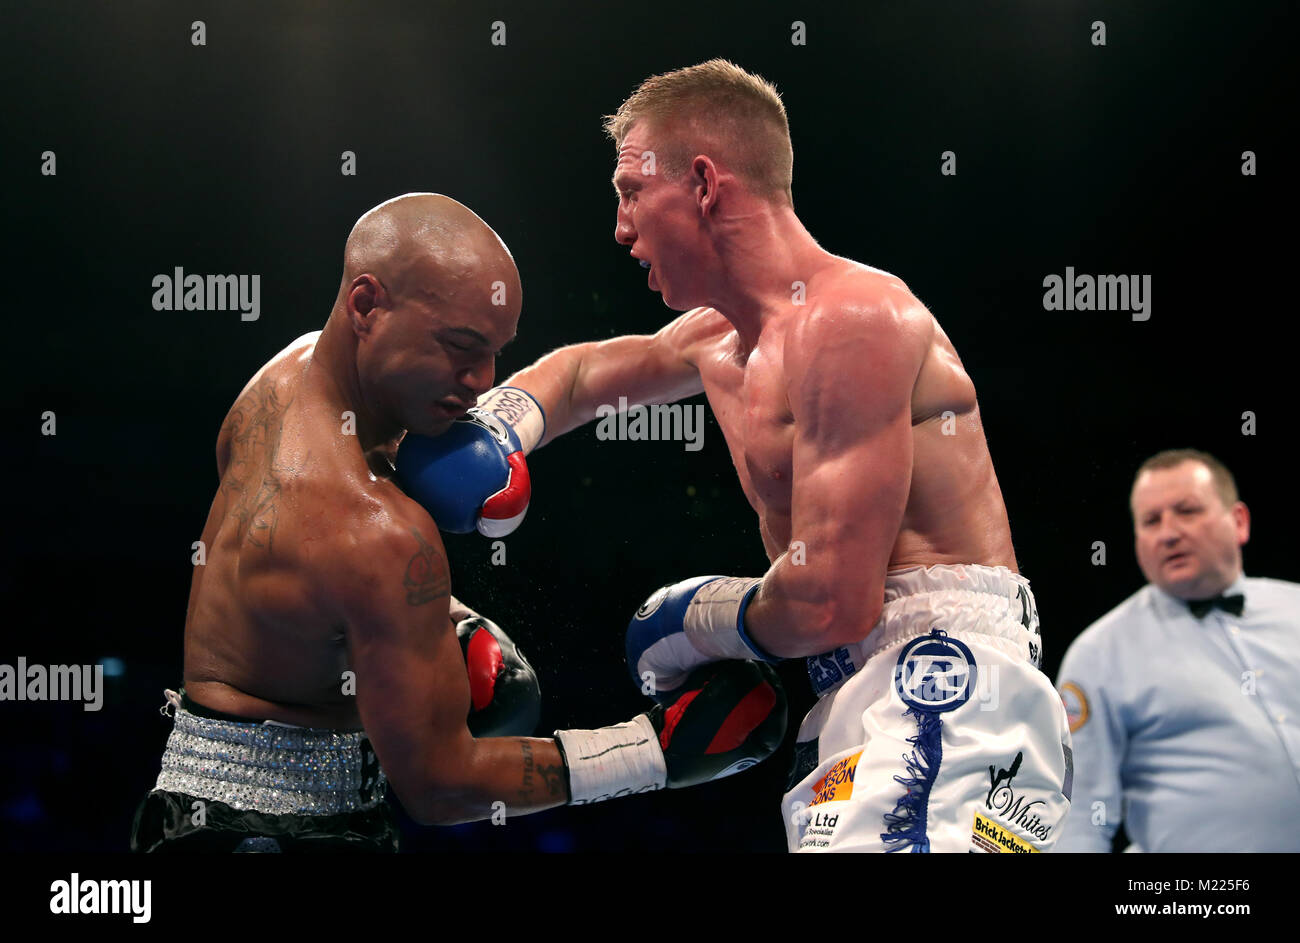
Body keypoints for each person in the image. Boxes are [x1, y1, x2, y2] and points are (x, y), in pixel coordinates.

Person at [474, 60, 1072, 852]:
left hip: (939, 678)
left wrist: (690, 621)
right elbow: (582, 376)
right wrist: (492, 432)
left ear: (703, 183)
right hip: (856, 689)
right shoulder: (718, 342)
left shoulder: (851, 319)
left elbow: (832, 602)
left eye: (629, 192)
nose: (619, 228)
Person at [129, 193, 786, 853]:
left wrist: (441, 609)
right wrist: (651, 751)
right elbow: (440, 786)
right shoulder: (378, 531)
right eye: (461, 348)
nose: (481, 380)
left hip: (186, 805)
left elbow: (571, 378)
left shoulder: (281, 380)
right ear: (366, 306)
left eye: (495, 351)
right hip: (285, 837)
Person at [1055, 449, 1300, 852]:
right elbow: (1081, 816)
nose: (1168, 533)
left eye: (1186, 511)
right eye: (1151, 521)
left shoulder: (1295, 607)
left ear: (1239, 521)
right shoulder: (1099, 653)